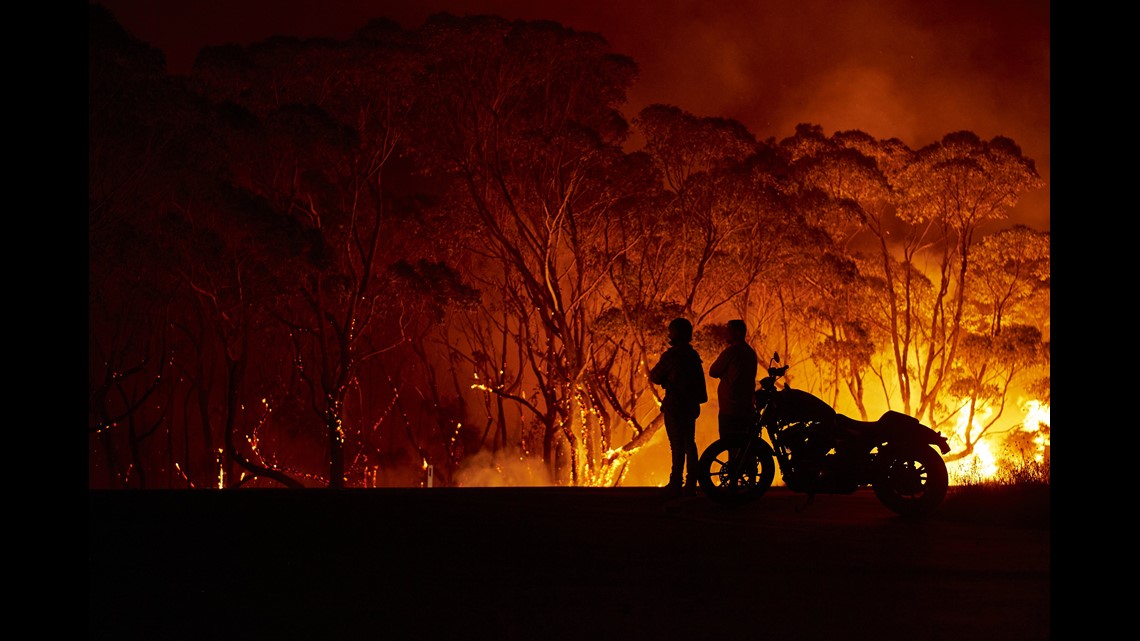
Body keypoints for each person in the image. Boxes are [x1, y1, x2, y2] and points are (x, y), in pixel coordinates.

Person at [648, 317, 708, 497]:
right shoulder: (693, 355)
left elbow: (655, 376)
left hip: (675, 404)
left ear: (677, 333)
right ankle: (690, 483)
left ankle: (676, 482)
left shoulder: (672, 356)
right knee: (690, 443)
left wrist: (668, 380)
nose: (669, 334)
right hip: (690, 405)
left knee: (677, 445)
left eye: (671, 331)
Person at [708, 319, 758, 440]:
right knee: (744, 445)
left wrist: (724, 374)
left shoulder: (731, 352)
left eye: (729, 331)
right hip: (746, 408)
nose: (725, 333)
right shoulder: (750, 353)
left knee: (729, 443)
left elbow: (713, 371)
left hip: (730, 409)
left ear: (738, 333)